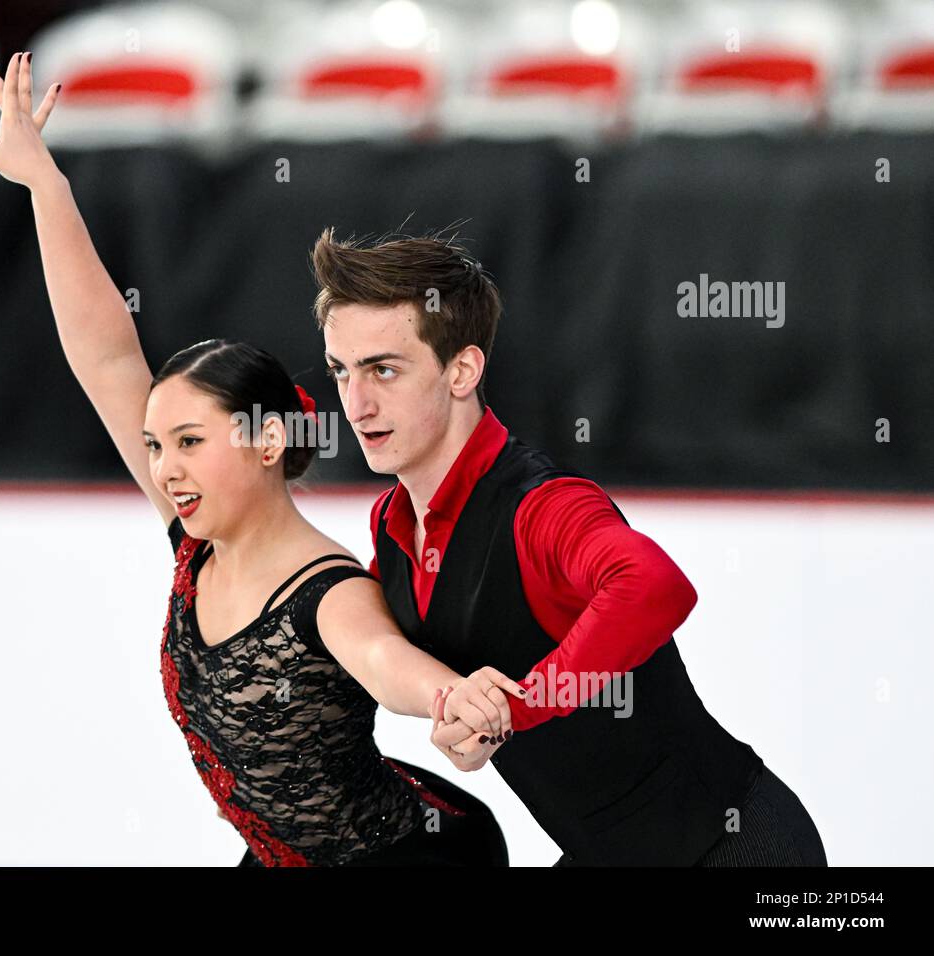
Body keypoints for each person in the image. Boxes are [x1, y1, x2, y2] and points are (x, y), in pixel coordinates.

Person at [0, 53, 512, 866]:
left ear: (266, 440)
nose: (165, 468)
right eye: (154, 446)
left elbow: (387, 665)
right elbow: (107, 359)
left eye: (188, 443)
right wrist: (48, 188)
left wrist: (449, 698)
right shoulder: (196, 542)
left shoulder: (328, 590)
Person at [310, 227, 829, 866]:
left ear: (462, 371)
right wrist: (454, 704)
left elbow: (654, 585)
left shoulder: (541, 505)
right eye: (342, 371)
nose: (357, 404)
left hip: (731, 846)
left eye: (384, 370)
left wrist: (516, 708)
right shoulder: (392, 527)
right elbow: (376, 655)